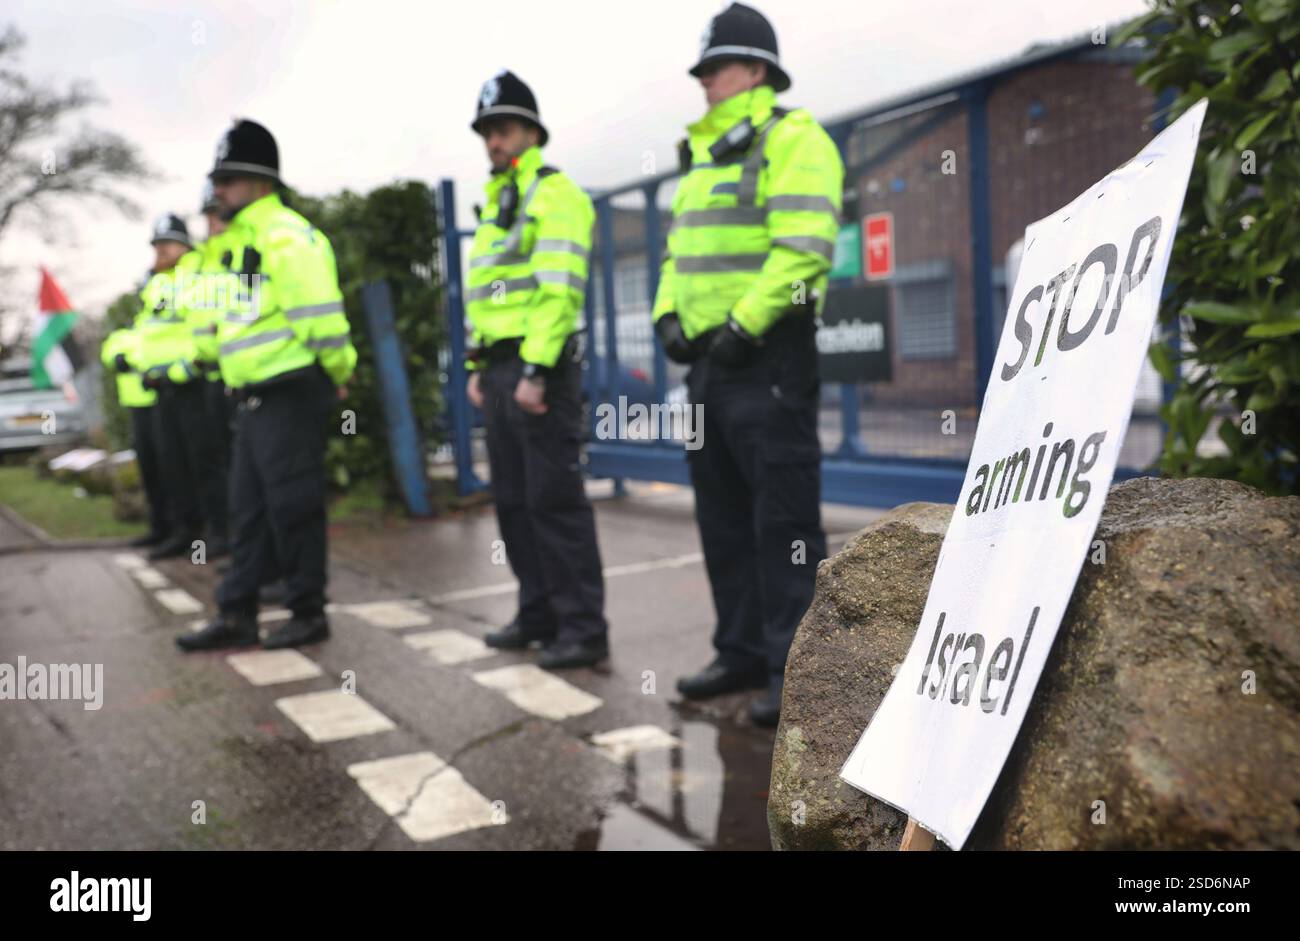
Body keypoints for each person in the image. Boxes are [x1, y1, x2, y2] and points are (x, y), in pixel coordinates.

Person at [652, 3, 843, 726]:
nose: (703, 81)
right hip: (708, 365)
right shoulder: (703, 158)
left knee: (782, 519)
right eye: (701, 70)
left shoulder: (795, 140)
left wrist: (740, 325)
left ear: (755, 70)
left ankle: (796, 671)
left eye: (715, 68)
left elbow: (804, 251)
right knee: (722, 516)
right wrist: (665, 316)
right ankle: (738, 650)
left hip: (766, 358)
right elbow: (678, 256)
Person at [178, 118, 356, 652]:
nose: (218, 191)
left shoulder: (286, 236)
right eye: (217, 180)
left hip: (289, 391)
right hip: (253, 399)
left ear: (259, 181)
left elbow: (322, 319)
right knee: (248, 513)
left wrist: (340, 372)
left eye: (228, 180)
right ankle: (237, 614)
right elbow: (238, 324)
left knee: (294, 507)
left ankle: (308, 613)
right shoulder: (243, 244)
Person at [464, 70, 609, 670]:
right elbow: (487, 296)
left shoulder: (555, 195)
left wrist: (533, 369)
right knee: (515, 501)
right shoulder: (502, 203)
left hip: (537, 370)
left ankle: (582, 628)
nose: (493, 141)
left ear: (531, 131)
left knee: (554, 501)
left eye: (503, 129)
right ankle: (538, 612)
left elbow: (557, 293)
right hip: (501, 370)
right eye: (487, 131)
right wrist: (478, 362)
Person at [135, 214, 230, 560]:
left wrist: (184, 368)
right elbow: (150, 332)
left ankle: (219, 533)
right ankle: (187, 535)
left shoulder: (195, 272)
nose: (160, 250)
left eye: (167, 244)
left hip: (192, 383)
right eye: (157, 245)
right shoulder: (156, 282)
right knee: (172, 465)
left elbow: (202, 326)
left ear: (185, 245)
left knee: (204, 463)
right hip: (162, 386)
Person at [101, 324, 169, 546]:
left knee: (170, 471)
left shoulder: (153, 330)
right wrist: (119, 357)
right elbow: (109, 353)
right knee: (149, 472)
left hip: (162, 405)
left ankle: (181, 529)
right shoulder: (120, 335)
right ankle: (159, 527)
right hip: (139, 410)